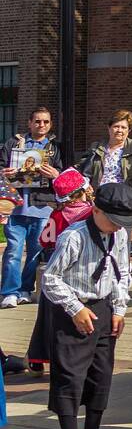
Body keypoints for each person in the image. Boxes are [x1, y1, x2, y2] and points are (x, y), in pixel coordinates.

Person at [39, 182, 132, 429]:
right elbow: (51, 278)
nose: (117, 227)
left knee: (101, 375)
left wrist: (119, 308)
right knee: (70, 377)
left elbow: (123, 272)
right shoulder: (74, 236)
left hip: (104, 307)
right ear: (96, 208)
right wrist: (75, 308)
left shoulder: (118, 235)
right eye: (113, 220)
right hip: (74, 308)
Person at [26, 169, 96, 377]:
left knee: (46, 320)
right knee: (75, 320)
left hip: (54, 273)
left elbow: (44, 241)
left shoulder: (57, 214)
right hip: (80, 274)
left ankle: (37, 358)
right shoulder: (90, 213)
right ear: (82, 191)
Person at [1, 107, 64, 308]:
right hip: (16, 206)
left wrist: (55, 173)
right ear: (29, 123)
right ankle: (9, 292)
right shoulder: (13, 143)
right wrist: (5, 171)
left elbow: (65, 174)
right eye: (37, 121)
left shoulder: (55, 147)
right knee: (13, 250)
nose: (41, 125)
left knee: (36, 251)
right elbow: (1, 167)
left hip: (43, 206)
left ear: (50, 124)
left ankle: (26, 289)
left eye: (45, 122)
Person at [78, 111, 132, 199]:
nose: (119, 130)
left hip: (125, 198)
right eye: (116, 126)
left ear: (129, 130)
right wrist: (86, 185)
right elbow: (81, 169)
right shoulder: (96, 147)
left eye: (124, 127)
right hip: (99, 197)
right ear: (109, 128)